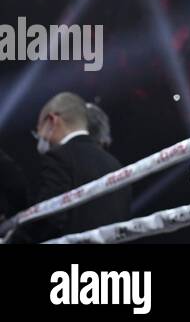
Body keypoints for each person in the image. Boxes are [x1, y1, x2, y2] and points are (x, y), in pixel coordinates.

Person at [13, 93, 131, 242]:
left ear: (52, 120)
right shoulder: (116, 165)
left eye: (38, 131)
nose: (40, 138)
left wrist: (12, 238)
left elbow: (49, 217)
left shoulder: (59, 157)